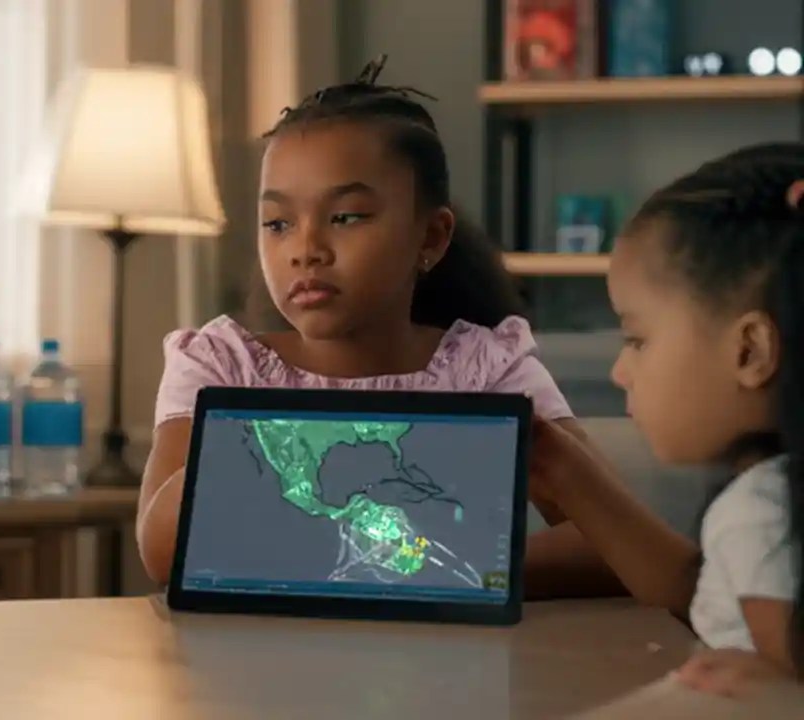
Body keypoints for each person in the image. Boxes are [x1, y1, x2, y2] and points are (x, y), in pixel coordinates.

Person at [136, 59, 625, 596]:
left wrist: (447, 570)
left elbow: (616, 539)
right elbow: (162, 552)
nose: (305, 250)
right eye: (278, 224)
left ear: (431, 238)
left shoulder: (486, 370)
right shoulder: (220, 367)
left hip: (447, 667)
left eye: (346, 216)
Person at [529, 143, 804, 696]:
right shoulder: (762, 505)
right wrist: (568, 472)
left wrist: (773, 688)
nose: (620, 372)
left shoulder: (764, 513)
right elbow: (691, 588)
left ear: (749, 350)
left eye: (637, 339)